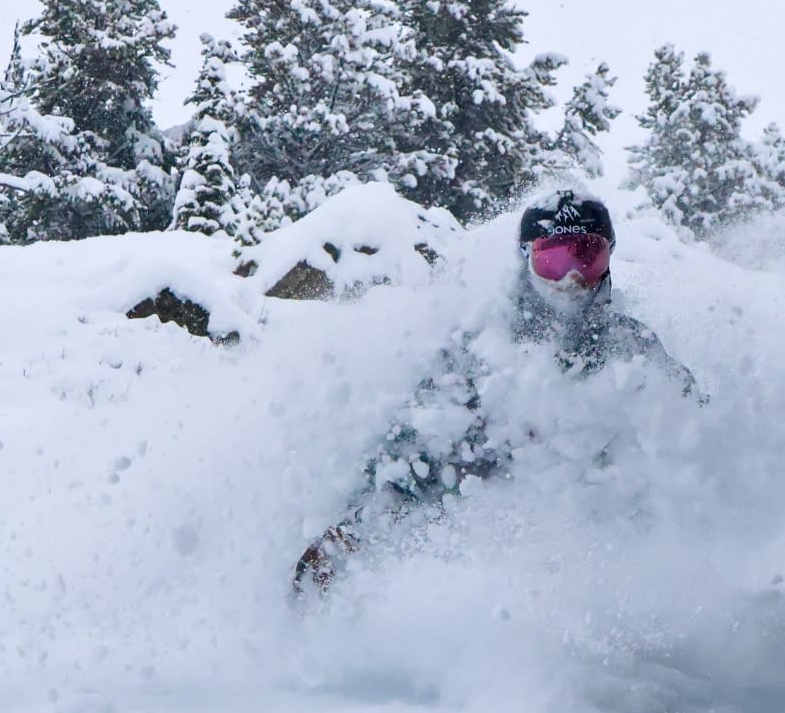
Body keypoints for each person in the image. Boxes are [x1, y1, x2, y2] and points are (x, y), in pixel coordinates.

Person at [292, 189, 699, 596]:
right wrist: (355, 528)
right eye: (553, 261)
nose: (571, 278)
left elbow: (695, 436)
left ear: (609, 257)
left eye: (586, 258)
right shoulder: (483, 351)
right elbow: (409, 455)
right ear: (526, 259)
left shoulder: (633, 349)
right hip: (490, 568)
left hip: (608, 565)